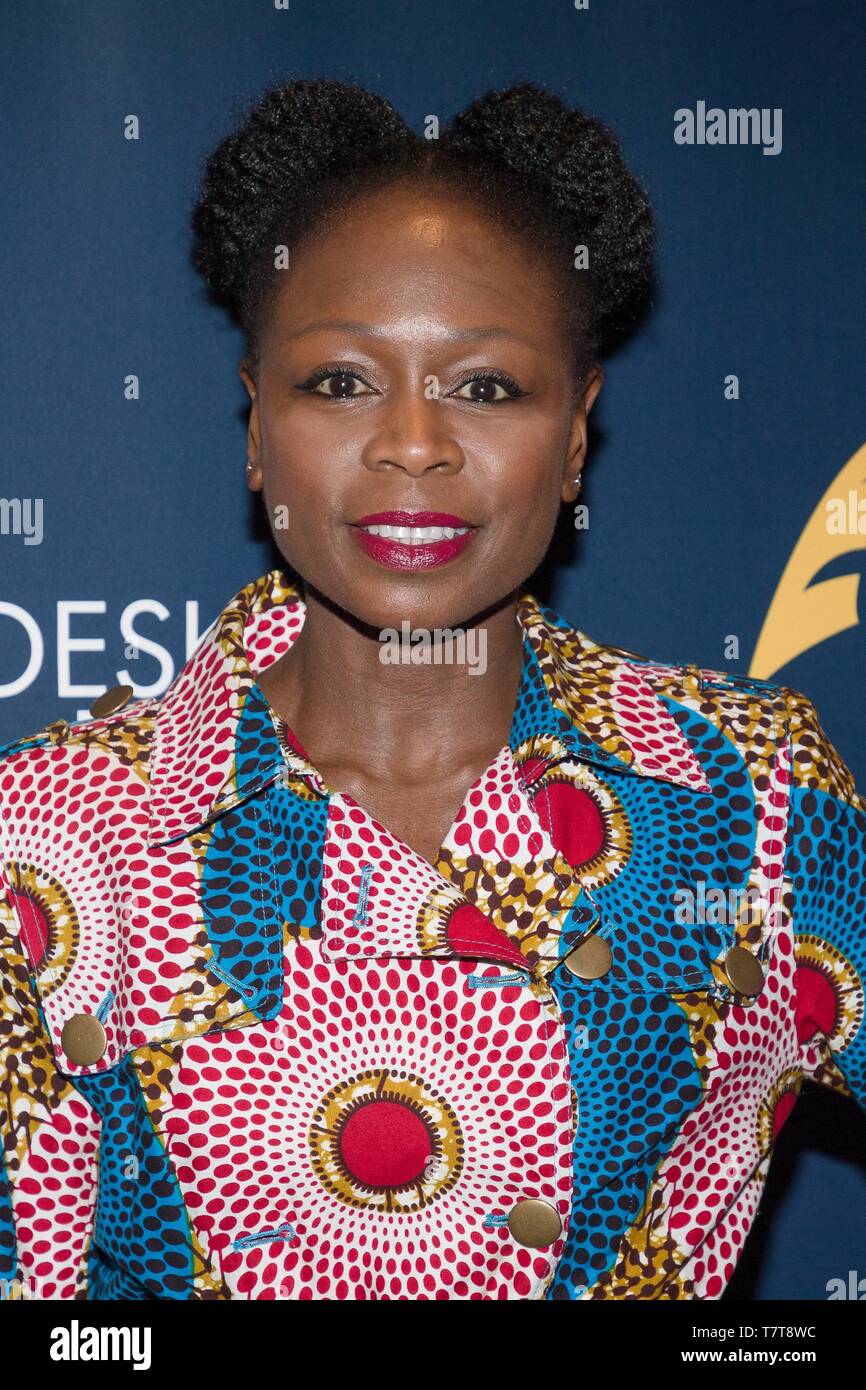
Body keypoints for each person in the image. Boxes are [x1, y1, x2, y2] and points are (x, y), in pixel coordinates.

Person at [0, 78, 863, 1302]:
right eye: (340, 382)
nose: (413, 442)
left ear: (575, 436)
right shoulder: (49, 839)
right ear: (256, 430)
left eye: (486, 386)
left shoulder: (755, 797)